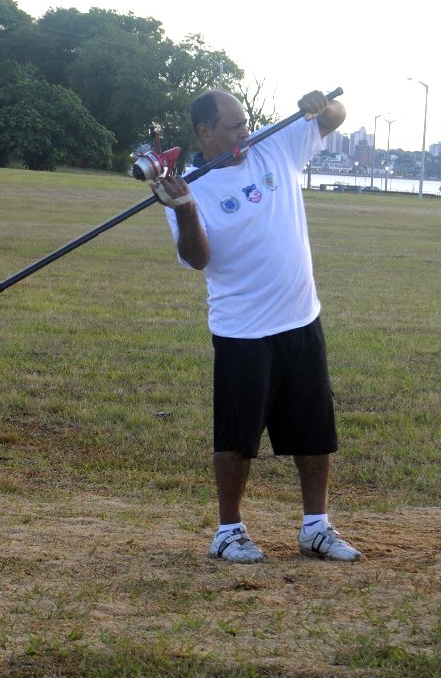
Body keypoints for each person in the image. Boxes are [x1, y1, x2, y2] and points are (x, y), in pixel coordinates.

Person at [152, 88, 360, 564]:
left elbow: (337, 116)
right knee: (236, 437)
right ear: (205, 133)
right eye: (233, 126)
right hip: (241, 328)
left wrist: (320, 107)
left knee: (314, 431)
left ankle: (316, 528)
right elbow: (198, 258)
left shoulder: (274, 146)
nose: (244, 131)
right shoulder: (189, 187)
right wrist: (183, 209)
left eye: (246, 122)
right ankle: (228, 531)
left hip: (300, 316)